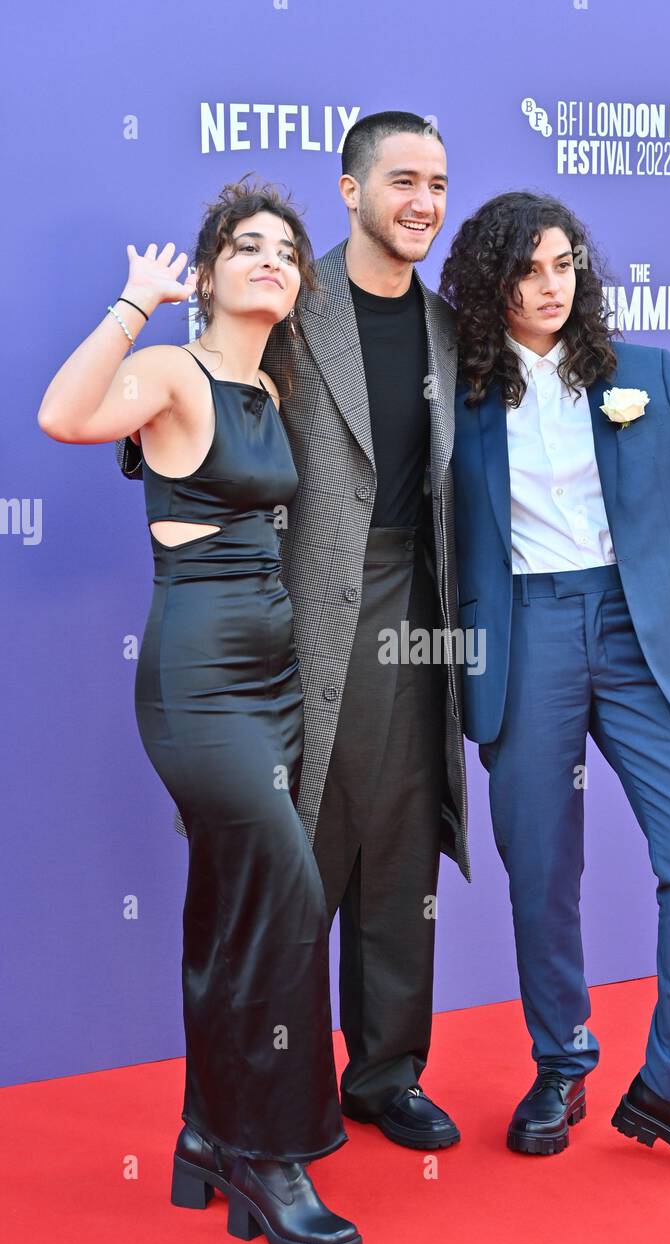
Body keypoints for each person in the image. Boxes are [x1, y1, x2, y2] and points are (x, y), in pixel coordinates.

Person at [118, 113, 471, 1151]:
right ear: (352, 190)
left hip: (425, 609)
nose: (423, 201)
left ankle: (388, 1070)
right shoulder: (290, 300)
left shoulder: (451, 327)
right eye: (402, 179)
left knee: (403, 843)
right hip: (305, 611)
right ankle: (265, 1100)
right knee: (300, 846)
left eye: (439, 183)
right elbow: (204, 414)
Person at [38, 178, 362, 1244]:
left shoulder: (268, 393)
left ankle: (207, 1135)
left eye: (287, 250)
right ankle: (271, 1154)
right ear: (211, 271)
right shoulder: (178, 371)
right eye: (248, 245)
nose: (272, 258)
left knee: (232, 906)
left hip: (271, 679)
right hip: (199, 681)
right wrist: (135, 303)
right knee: (290, 888)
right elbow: (65, 416)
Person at [441, 196, 670, 1184]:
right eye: (527, 271)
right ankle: (561, 1062)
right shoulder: (454, 395)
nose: (551, 286)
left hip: (642, 633)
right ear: (489, 286)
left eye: (563, 266)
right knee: (542, 870)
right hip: (525, 632)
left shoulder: (641, 373)